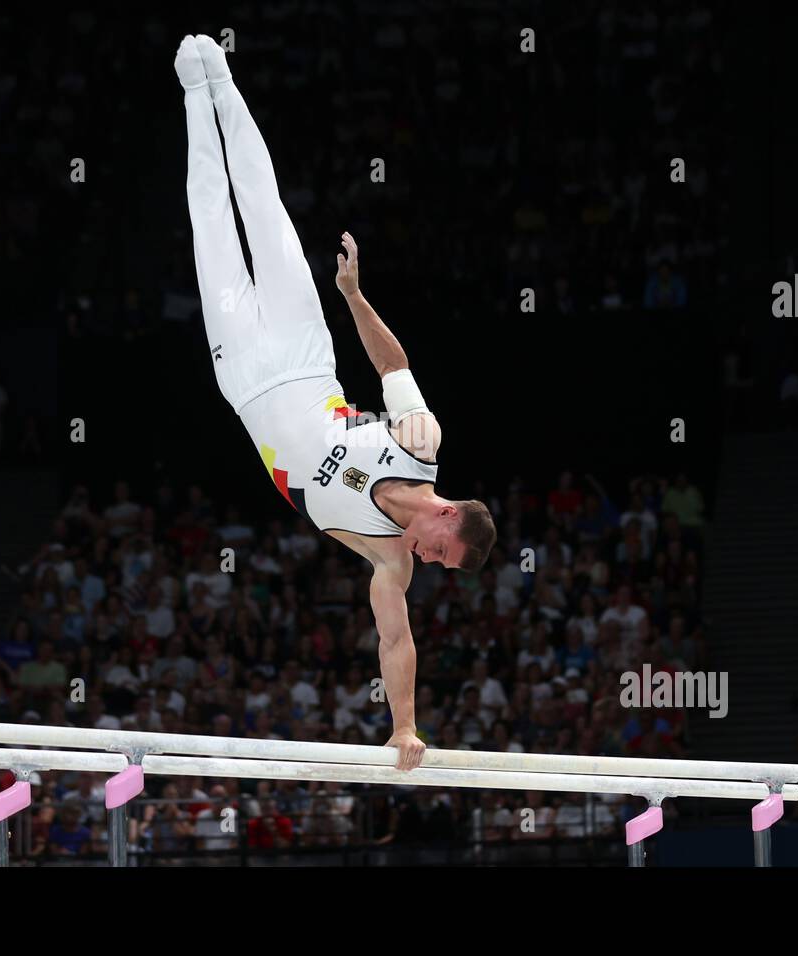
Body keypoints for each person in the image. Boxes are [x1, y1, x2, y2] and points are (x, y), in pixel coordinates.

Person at [176, 34, 497, 770]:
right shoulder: (421, 441)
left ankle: (194, 98)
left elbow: (395, 639)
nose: (430, 564)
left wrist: (405, 727)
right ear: (448, 515)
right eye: (441, 554)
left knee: (213, 229)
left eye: (438, 566)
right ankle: (221, 80)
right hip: (307, 354)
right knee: (266, 211)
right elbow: (393, 363)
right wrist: (353, 295)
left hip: (249, 383)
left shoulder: (390, 563)